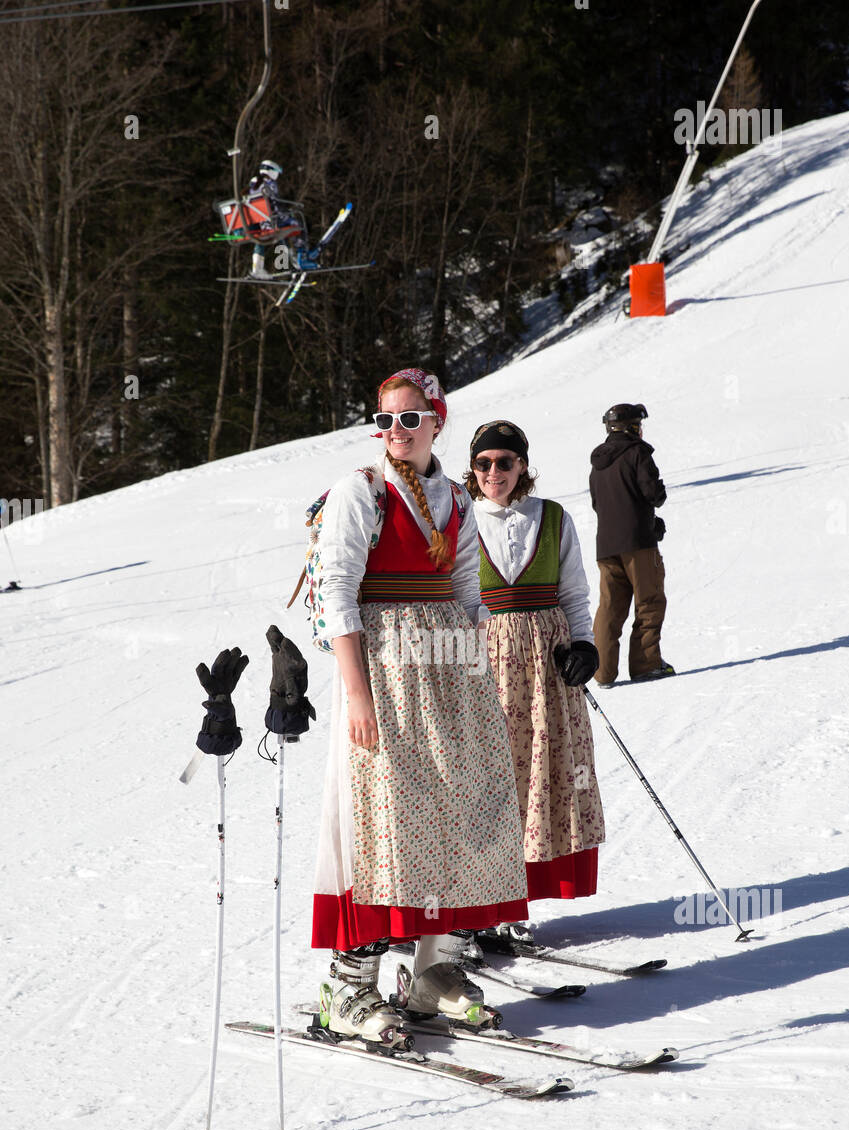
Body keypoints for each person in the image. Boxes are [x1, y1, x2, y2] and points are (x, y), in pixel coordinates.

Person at [309, 369, 528, 1045]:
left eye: (410, 419)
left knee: (462, 812)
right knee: (383, 825)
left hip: (447, 677)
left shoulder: (457, 500)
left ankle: (436, 971)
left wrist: (470, 674)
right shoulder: (362, 492)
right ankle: (348, 987)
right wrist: (355, 692)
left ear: (437, 420)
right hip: (382, 674)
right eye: (385, 420)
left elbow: (466, 591)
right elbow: (337, 591)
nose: (395, 432)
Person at [465, 420, 605, 951]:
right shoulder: (459, 518)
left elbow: (573, 590)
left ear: (522, 465)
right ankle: (481, 903)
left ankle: (513, 904)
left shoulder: (551, 517)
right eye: (484, 463)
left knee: (539, 774)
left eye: (505, 461)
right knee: (487, 777)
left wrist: (585, 645)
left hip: (546, 660)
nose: (494, 472)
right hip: (484, 659)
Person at [589, 403, 673, 687]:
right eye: (639, 424)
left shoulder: (598, 462)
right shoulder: (638, 453)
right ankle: (646, 665)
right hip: (639, 545)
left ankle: (601, 672)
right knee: (649, 602)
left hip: (606, 546)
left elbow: (598, 504)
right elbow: (654, 494)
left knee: (610, 609)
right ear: (632, 427)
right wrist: (647, 523)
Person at [246, 159, 311, 278]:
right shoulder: (269, 183)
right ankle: (300, 258)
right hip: (271, 220)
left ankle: (257, 268)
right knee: (296, 224)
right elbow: (275, 203)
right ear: (271, 171)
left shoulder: (253, 184)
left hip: (259, 223)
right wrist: (287, 213)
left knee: (267, 237)